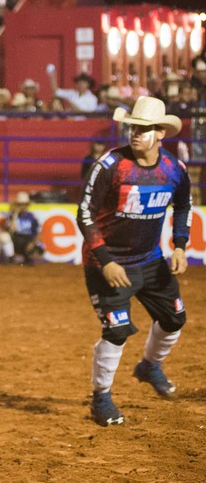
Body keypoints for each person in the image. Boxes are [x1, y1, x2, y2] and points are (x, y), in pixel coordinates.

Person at [78, 96, 191, 427]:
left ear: (159, 133)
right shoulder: (111, 166)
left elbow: (183, 205)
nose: (135, 134)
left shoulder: (173, 169)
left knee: (174, 319)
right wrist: (106, 260)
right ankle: (101, 399)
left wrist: (180, 246)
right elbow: (84, 214)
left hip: (151, 261)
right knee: (116, 330)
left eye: (143, 129)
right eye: (132, 127)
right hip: (107, 263)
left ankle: (149, 366)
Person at [0, 191, 43, 265]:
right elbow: (12, 229)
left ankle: (28, 258)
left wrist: (33, 243)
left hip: (28, 242)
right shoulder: (12, 216)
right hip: (16, 241)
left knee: (38, 251)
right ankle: (10, 258)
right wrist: (15, 214)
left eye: (24, 204)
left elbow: (38, 232)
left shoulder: (32, 217)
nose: (23, 207)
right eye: (20, 205)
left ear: (27, 205)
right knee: (4, 236)